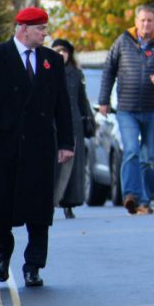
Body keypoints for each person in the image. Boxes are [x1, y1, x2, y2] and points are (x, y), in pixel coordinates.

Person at [0, 8, 73, 287]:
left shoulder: (52, 60)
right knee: (1, 205)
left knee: (39, 209)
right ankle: (3, 256)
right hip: (4, 144)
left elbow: (62, 104)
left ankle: (34, 265)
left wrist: (66, 142)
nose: (45, 33)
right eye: (40, 29)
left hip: (40, 144)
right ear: (23, 29)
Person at [98, 5, 154, 215]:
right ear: (135, 22)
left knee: (148, 158)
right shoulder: (122, 41)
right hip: (127, 109)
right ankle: (130, 196)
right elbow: (109, 70)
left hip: (153, 110)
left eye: (150, 20)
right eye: (142, 20)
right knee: (132, 151)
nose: (146, 24)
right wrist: (104, 101)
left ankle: (144, 201)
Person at [50, 39, 93, 219]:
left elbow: (82, 100)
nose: (62, 54)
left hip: (74, 123)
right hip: (51, 125)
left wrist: (88, 119)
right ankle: (50, 202)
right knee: (53, 167)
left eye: (65, 51)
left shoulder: (76, 74)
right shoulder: (46, 72)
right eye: (58, 51)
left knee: (73, 168)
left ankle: (69, 204)